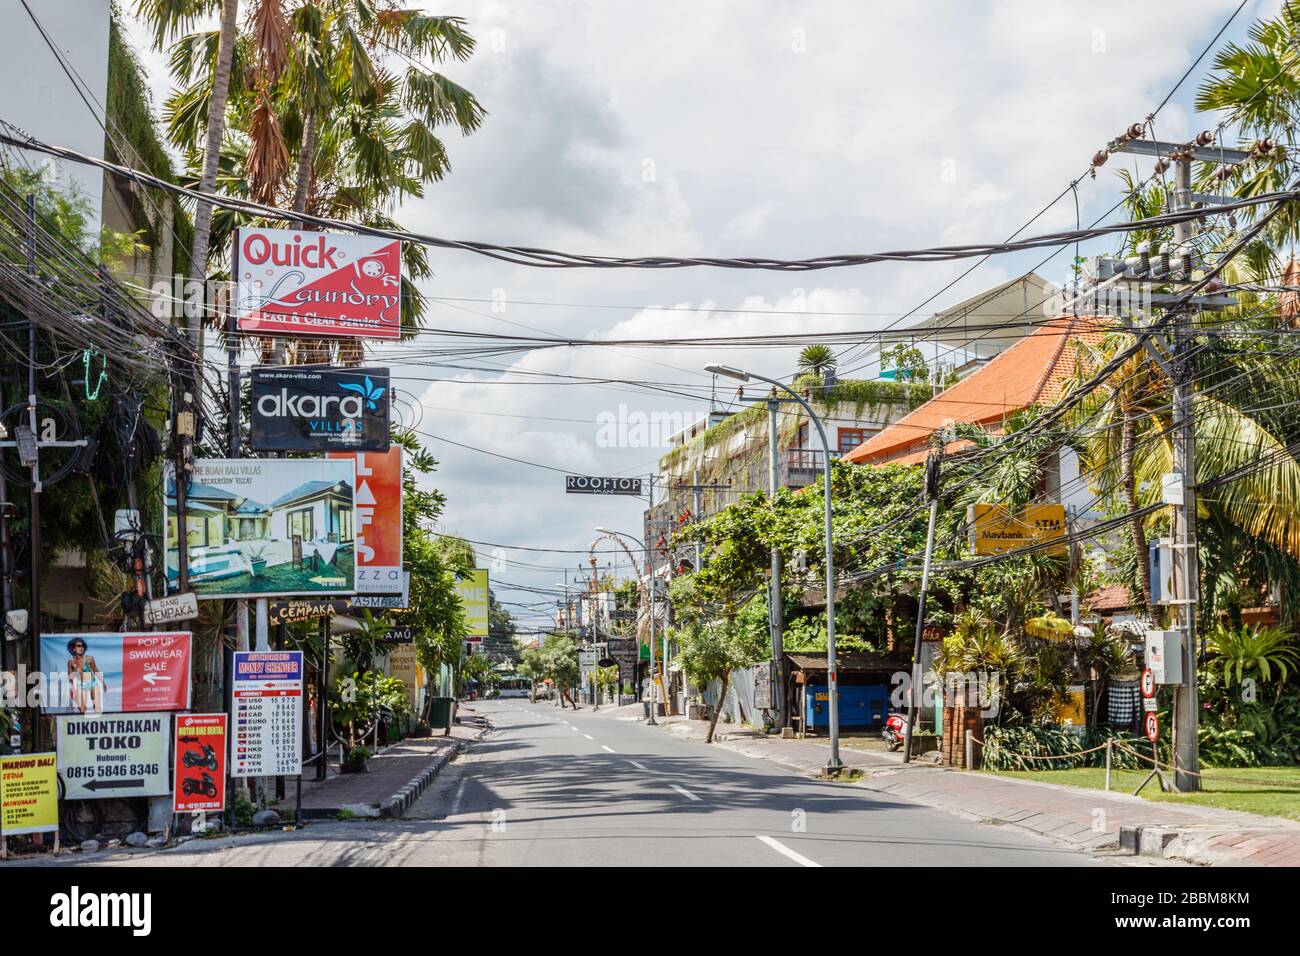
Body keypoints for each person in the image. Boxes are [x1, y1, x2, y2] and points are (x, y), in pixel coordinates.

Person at [66, 637, 104, 714]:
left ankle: (98, 723)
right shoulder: (71, 662)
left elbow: (96, 671)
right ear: (73, 649)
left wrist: (103, 683)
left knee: (97, 707)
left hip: (92, 683)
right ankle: (83, 723)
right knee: (82, 710)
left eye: (83, 646)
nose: (81, 648)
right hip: (81, 685)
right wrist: (75, 672)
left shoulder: (89, 658)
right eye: (78, 646)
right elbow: (70, 678)